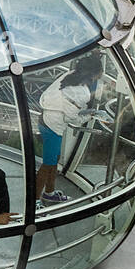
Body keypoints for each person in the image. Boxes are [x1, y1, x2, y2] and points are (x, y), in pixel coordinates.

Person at [35, 56, 102, 205]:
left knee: (54, 160)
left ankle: (49, 193)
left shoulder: (69, 75)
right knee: (46, 166)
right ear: (93, 73)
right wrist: (90, 116)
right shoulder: (82, 92)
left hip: (44, 120)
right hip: (53, 127)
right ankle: (34, 203)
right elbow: (72, 118)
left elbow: (67, 106)